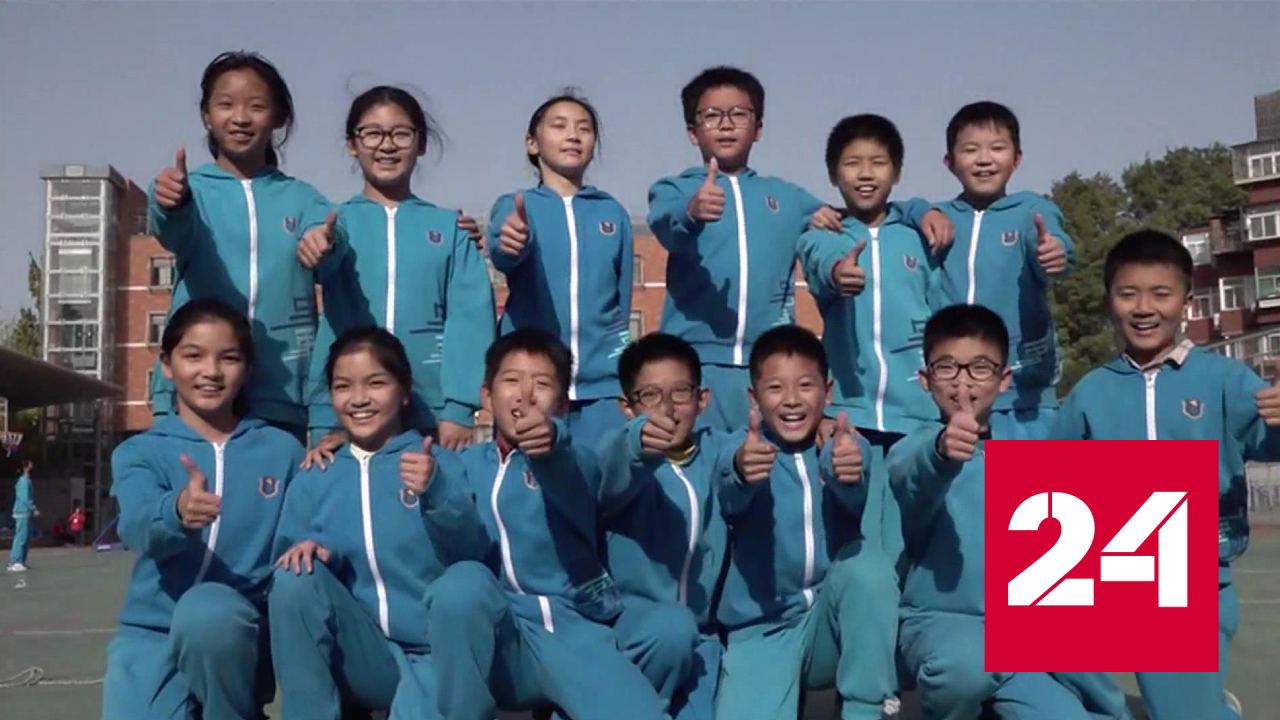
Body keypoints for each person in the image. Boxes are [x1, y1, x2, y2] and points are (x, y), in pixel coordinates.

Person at [1052, 229, 1280, 720]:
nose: (1143, 308)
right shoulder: (1090, 393)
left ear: (1187, 304)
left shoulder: (1224, 379)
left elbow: (1269, 443)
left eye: (1161, 293)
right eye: (1128, 294)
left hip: (1198, 574)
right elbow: (1053, 484)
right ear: (1108, 303)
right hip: (1114, 572)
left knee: (1181, 711)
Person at [892, 304, 1127, 720]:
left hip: (1020, 641)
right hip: (942, 625)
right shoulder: (914, 447)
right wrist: (943, 450)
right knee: (964, 672)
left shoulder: (1034, 447)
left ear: (1004, 379)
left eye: (980, 368)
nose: (963, 381)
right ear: (926, 379)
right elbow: (912, 474)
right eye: (947, 367)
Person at [270, 327, 490, 720]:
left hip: (437, 658)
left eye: (376, 383)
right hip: (363, 656)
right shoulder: (315, 476)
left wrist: (436, 491)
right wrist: (310, 556)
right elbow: (288, 578)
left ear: (404, 390)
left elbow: (472, 555)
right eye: (343, 386)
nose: (358, 399)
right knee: (293, 578)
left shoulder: (440, 464)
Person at [102, 299, 304, 720]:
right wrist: (176, 511)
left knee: (210, 613)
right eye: (193, 356)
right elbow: (137, 525)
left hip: (236, 631)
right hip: (153, 632)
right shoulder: (139, 452)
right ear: (166, 364)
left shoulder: (283, 451)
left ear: (248, 369)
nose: (211, 372)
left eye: (228, 358)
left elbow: (302, 536)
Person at [148, 51, 333, 440]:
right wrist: (170, 204)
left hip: (282, 393)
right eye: (226, 105)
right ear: (206, 114)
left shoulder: (303, 199)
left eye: (256, 106)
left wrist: (325, 244)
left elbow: (330, 241)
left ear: (279, 116)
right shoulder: (190, 191)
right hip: (193, 396)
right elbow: (173, 229)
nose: (240, 118)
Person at [302, 85, 495, 455]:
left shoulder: (450, 228)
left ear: (421, 144)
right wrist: (319, 244)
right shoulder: (334, 222)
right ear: (351, 144)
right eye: (372, 133)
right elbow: (326, 255)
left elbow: (470, 320)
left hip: (433, 413)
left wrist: (459, 406)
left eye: (401, 133)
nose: (387, 145)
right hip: (344, 414)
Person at [488, 91, 632, 452]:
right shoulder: (516, 206)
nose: (573, 136)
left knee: (604, 480)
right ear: (532, 143)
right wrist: (511, 242)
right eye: (559, 126)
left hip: (603, 388)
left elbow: (623, 299)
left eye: (584, 128)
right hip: (534, 385)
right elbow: (502, 252)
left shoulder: (612, 213)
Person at [7, 459, 37, 572]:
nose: (32, 465)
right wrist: (33, 508)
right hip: (22, 512)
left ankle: (21, 561)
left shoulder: (27, 480)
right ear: (25, 468)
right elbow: (25, 498)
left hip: (26, 513)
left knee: (27, 537)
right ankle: (15, 561)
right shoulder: (23, 481)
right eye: (30, 464)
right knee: (21, 537)